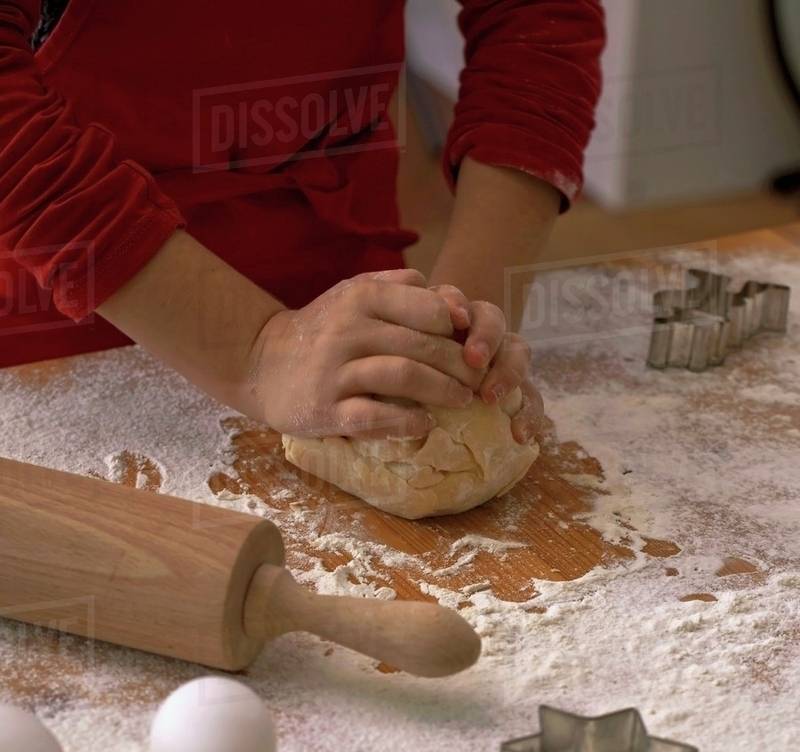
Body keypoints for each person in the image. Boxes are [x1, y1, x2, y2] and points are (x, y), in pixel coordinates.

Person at [0, 1, 605, 446]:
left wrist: (464, 324)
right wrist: (255, 353)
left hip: (345, 295)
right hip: (64, 328)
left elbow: (537, 19)